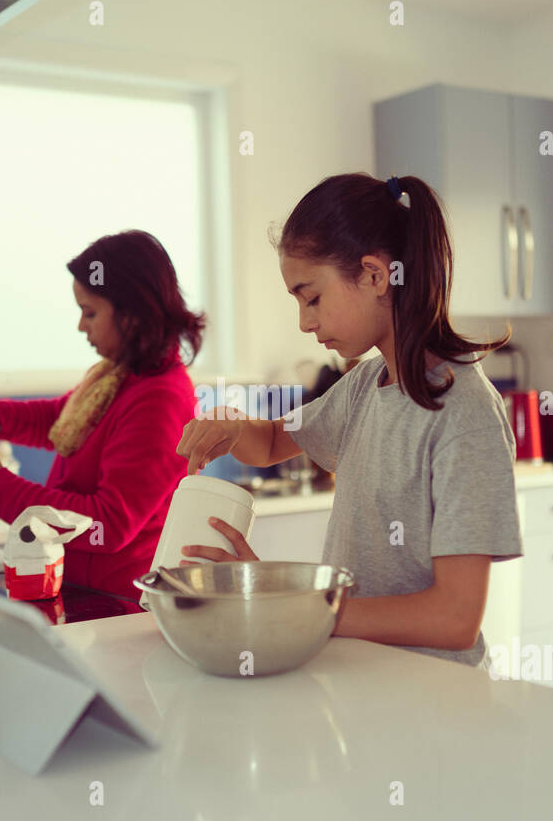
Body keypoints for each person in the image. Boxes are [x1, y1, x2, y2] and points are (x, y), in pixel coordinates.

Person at [175, 173, 523, 666]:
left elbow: (454, 618)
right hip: (361, 677)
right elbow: (274, 441)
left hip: (433, 700)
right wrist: (231, 424)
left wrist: (297, 606)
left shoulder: (464, 413)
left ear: (376, 276)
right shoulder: (367, 384)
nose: (304, 321)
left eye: (311, 297)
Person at [0, 230, 203, 601]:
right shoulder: (119, 376)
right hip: (85, 589)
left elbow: (108, 523)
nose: (81, 326)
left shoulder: (161, 399)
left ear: (132, 314)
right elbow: (61, 419)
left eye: (90, 312)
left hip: (119, 604)